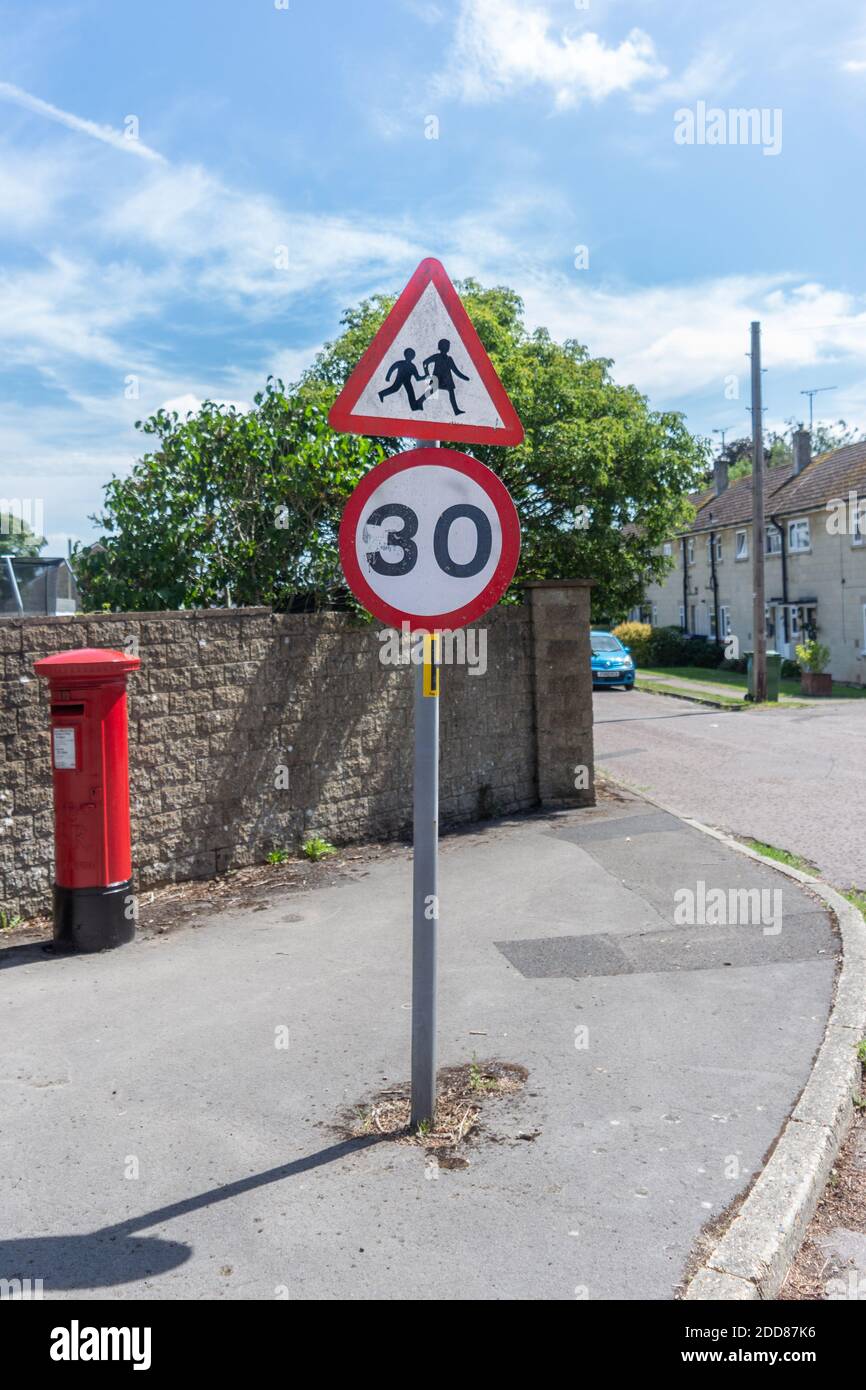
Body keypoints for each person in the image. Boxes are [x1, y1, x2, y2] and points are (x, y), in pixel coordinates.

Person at [422, 339, 470, 416]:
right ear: (441, 347)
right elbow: (425, 363)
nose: (448, 347)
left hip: (447, 380)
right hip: (437, 378)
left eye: (448, 346)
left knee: (451, 392)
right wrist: (428, 375)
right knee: (431, 391)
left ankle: (456, 410)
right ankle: (419, 402)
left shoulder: (449, 359)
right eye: (446, 345)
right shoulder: (437, 356)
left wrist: (465, 378)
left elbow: (456, 371)